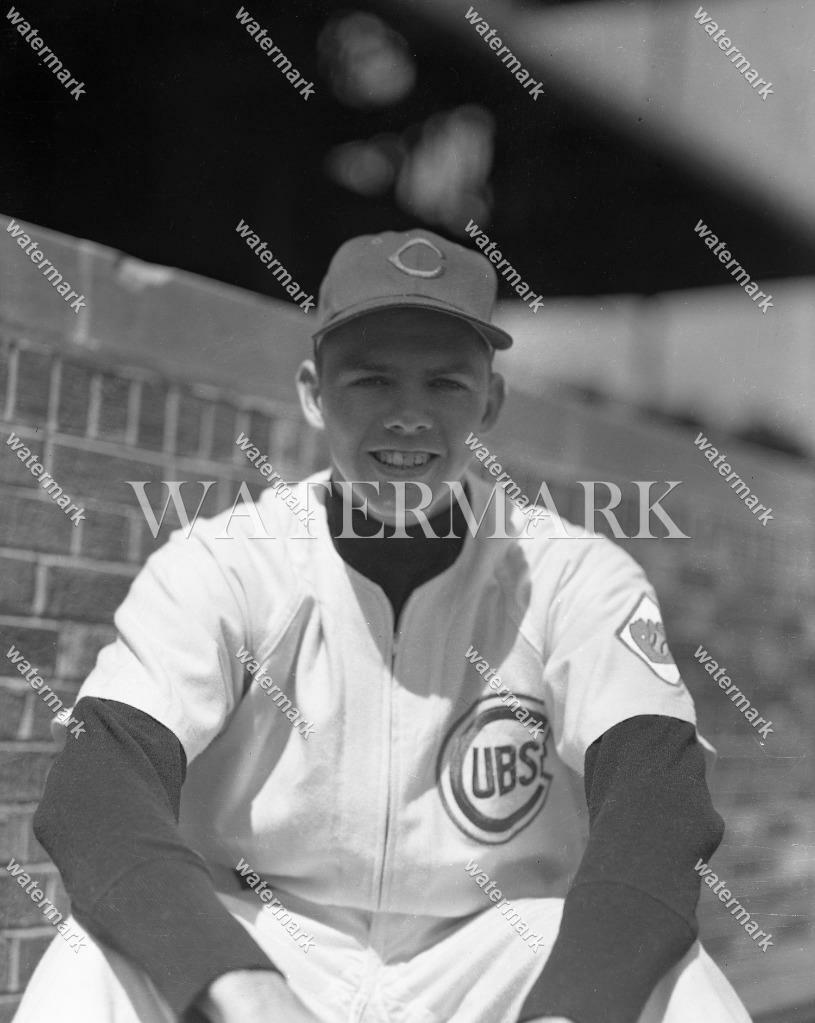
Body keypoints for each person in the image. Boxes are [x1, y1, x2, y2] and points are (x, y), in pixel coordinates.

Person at [14, 229, 751, 1023]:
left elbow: (658, 810)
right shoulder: (222, 561)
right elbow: (94, 794)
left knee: (681, 986)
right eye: (370, 380)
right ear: (312, 391)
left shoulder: (572, 572)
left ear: (491, 402)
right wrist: (238, 983)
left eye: (444, 383)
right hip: (269, 936)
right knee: (89, 959)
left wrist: (568, 1010)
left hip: (488, 952)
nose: (409, 416)